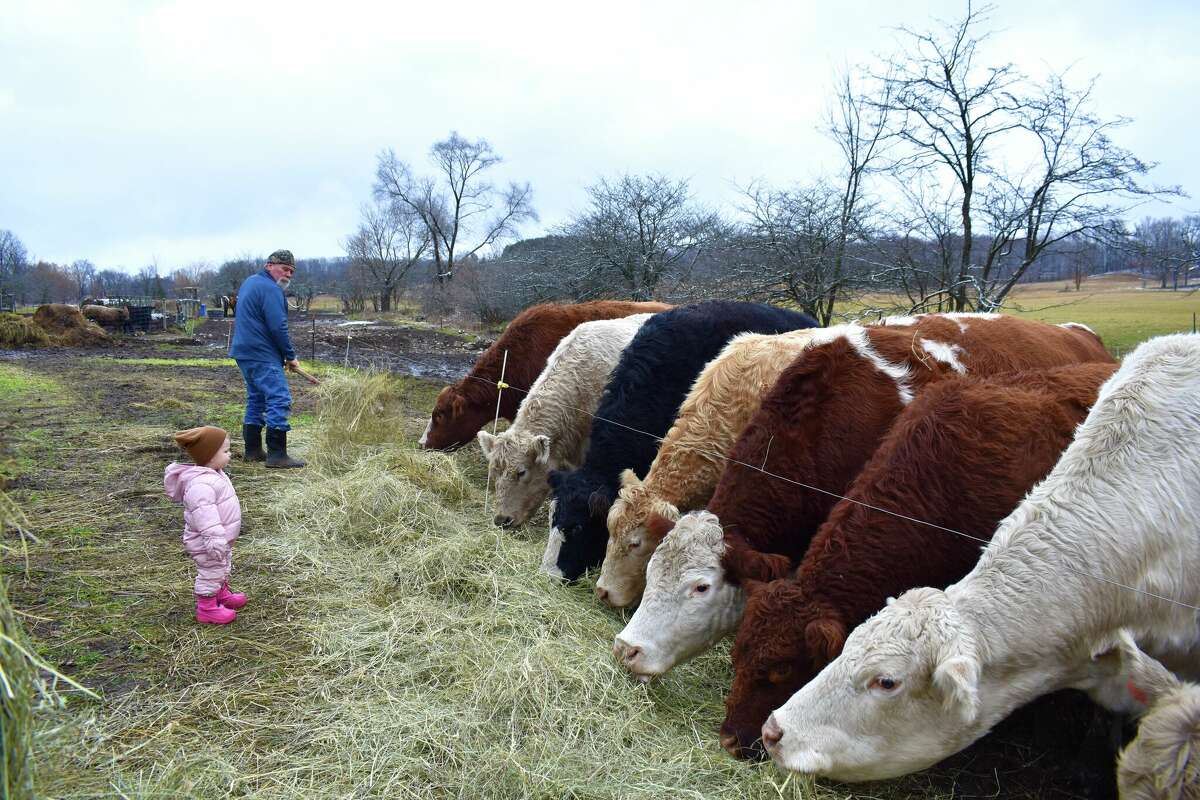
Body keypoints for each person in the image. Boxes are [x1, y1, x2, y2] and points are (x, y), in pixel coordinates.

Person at [164, 426, 247, 625]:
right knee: (211, 571)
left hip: (221, 538)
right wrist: (214, 539)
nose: (230, 455)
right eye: (226, 451)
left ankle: (221, 594)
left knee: (222, 566)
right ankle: (207, 608)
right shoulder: (201, 485)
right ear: (209, 455)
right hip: (208, 541)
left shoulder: (215, 474)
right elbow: (205, 517)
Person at [230, 249, 305, 468]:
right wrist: (290, 356)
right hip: (261, 353)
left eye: (291, 271)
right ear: (269, 265)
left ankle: (252, 451)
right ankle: (277, 455)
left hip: (244, 352)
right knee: (279, 398)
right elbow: (278, 327)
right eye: (284, 268)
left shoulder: (250, 283)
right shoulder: (271, 289)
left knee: (257, 398)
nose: (288, 274)